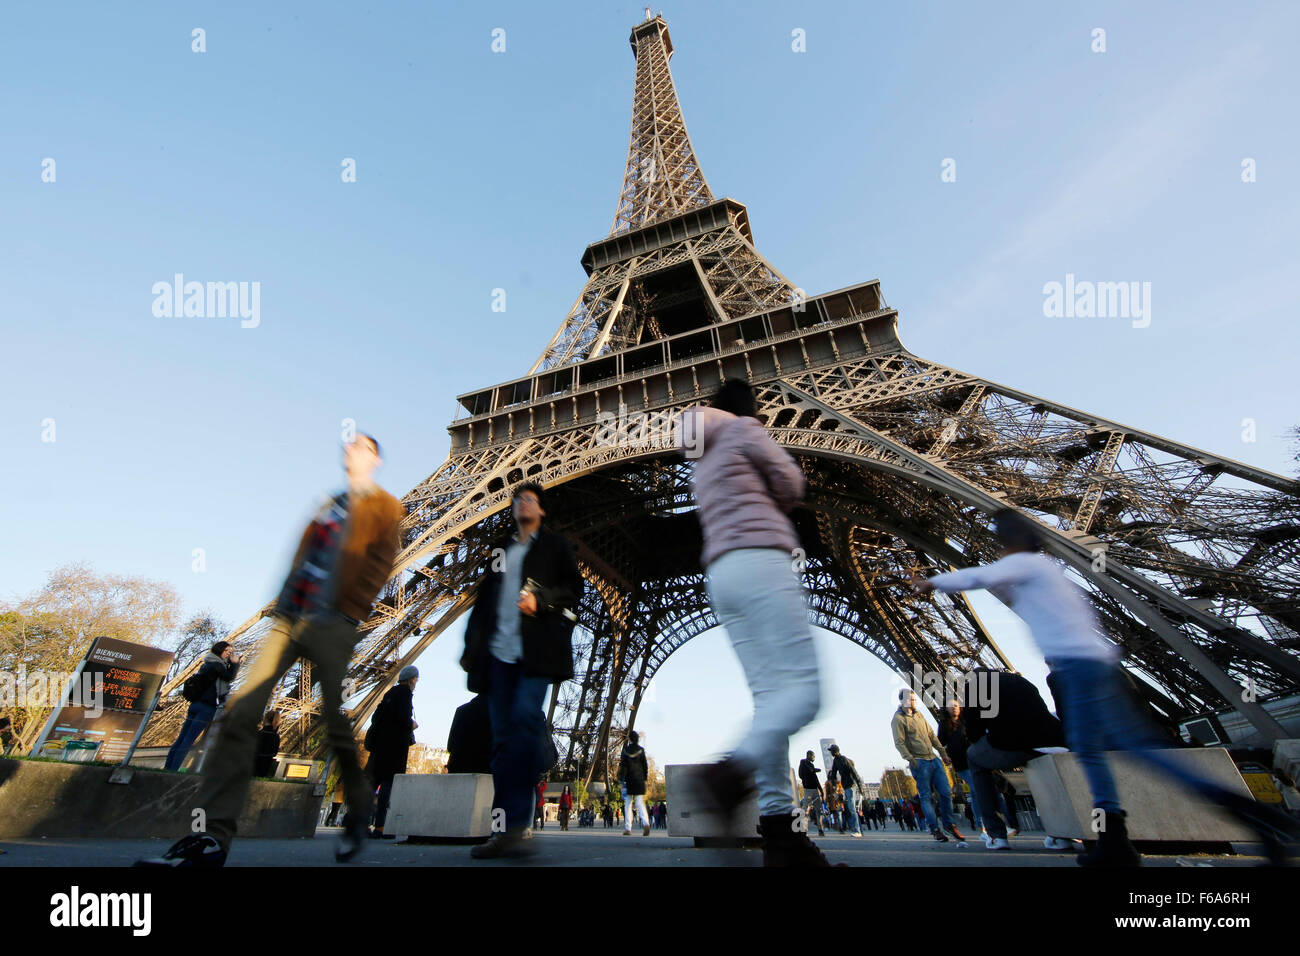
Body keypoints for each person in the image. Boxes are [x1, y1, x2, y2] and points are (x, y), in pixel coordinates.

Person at [912, 508, 1300, 866]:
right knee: (1112, 751)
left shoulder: (1025, 565)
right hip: (1096, 664)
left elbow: (978, 576)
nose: (1001, 547)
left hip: (1077, 671)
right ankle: (1126, 836)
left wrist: (930, 581)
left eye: (1002, 539)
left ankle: (1222, 819)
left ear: (1012, 541)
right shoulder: (1049, 573)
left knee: (1107, 752)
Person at [138, 433, 404, 867]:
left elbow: (381, 563)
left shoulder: (386, 506)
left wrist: (350, 613)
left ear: (374, 458)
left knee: (335, 722)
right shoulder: (329, 503)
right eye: (347, 444)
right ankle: (209, 837)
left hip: (336, 619)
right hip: (289, 618)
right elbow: (301, 558)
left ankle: (359, 804)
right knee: (240, 714)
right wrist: (283, 605)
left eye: (359, 445)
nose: (348, 449)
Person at [681, 380, 831, 867]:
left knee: (770, 704)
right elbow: (790, 483)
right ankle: (726, 776)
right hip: (765, 563)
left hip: (721, 573)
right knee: (805, 693)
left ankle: (779, 833)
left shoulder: (701, 454)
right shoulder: (747, 430)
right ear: (749, 409)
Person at [460, 481, 583, 859]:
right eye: (517, 500)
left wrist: (541, 600)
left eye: (529, 499)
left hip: (535, 654)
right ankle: (504, 830)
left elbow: (574, 589)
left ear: (542, 509)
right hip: (499, 656)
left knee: (525, 719)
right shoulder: (501, 548)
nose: (522, 504)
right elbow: (485, 598)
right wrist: (471, 646)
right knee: (500, 744)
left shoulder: (555, 547)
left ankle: (519, 820)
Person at [957, 668, 1065, 850]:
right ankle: (1063, 833)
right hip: (1053, 741)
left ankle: (996, 834)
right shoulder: (1020, 681)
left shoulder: (975, 686)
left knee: (974, 757)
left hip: (1016, 745)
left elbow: (974, 727)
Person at [892, 689, 965, 843]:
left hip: (934, 759)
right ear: (903, 701)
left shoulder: (919, 715)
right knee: (926, 797)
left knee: (946, 793)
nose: (914, 702)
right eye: (911, 699)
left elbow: (931, 735)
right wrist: (911, 760)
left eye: (914, 699)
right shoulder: (898, 719)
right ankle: (935, 829)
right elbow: (899, 742)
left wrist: (943, 753)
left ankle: (948, 824)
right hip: (920, 762)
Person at [164, 641, 241, 771]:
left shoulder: (208, 662)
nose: (229, 653)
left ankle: (169, 766)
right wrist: (235, 664)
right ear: (220, 650)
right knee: (188, 740)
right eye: (227, 650)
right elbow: (229, 677)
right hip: (207, 706)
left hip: (196, 704)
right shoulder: (217, 665)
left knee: (182, 737)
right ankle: (173, 770)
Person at [365, 665, 418, 839]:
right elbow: (402, 718)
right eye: (416, 679)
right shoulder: (404, 694)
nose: (416, 682)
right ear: (411, 679)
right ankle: (381, 827)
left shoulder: (390, 693)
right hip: (394, 750)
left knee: (372, 786)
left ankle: (361, 824)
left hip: (379, 748)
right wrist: (412, 724)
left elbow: (376, 718)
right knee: (388, 788)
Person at [446, 692, 493, 775]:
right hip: (486, 772)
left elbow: (450, 746)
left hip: (457, 770)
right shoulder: (500, 715)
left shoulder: (461, 711)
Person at [827, 744, 864, 837]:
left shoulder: (844, 759)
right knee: (851, 809)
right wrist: (833, 783)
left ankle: (858, 831)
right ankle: (859, 830)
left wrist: (860, 786)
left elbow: (854, 772)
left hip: (851, 785)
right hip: (846, 786)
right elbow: (834, 772)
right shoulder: (836, 761)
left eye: (831, 751)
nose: (830, 752)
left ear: (835, 751)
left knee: (851, 808)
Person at [619, 730, 652, 836]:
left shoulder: (625, 751)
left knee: (628, 804)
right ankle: (646, 823)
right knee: (640, 803)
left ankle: (628, 828)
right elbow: (645, 766)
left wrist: (621, 779)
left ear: (629, 739)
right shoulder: (641, 751)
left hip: (629, 780)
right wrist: (645, 779)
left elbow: (623, 767)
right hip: (639, 779)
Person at [797, 750, 826, 836]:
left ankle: (820, 829)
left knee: (818, 810)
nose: (814, 758)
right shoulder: (803, 763)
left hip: (814, 789)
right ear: (809, 755)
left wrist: (820, 789)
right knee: (806, 810)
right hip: (808, 789)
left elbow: (815, 779)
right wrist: (813, 771)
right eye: (813, 756)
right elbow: (801, 774)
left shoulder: (811, 765)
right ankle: (804, 829)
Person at [253, 711, 281, 778]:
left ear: (265, 719)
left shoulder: (258, 734)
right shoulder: (276, 736)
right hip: (266, 768)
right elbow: (274, 753)